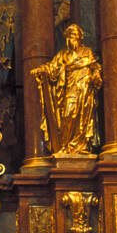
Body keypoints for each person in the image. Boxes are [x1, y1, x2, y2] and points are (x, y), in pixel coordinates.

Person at [29, 23, 102, 155]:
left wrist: (96, 76)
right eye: (69, 36)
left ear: (80, 37)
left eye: (74, 36)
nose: (71, 39)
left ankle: (81, 146)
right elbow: (52, 67)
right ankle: (66, 145)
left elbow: (94, 67)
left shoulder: (87, 52)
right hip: (70, 89)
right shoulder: (63, 55)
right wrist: (41, 70)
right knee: (68, 114)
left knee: (83, 118)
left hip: (85, 89)